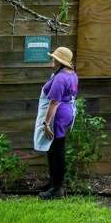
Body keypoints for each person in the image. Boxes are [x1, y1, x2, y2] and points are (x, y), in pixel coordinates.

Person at [36, 46, 78, 199]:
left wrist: (46, 123)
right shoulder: (71, 74)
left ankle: (57, 189)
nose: (52, 60)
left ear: (60, 61)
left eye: (54, 58)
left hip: (57, 116)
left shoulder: (60, 78)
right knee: (53, 149)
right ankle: (53, 183)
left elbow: (53, 103)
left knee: (56, 151)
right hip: (66, 113)